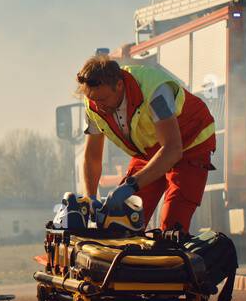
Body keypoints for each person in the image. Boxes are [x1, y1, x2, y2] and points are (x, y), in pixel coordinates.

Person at [76, 55, 216, 232]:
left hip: (190, 144)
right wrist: (91, 198)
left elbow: (172, 150)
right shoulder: (94, 102)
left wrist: (131, 184)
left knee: (172, 227)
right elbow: (92, 157)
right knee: (122, 220)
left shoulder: (155, 91)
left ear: (119, 85)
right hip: (151, 151)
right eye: (92, 99)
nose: (98, 106)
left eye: (102, 100)